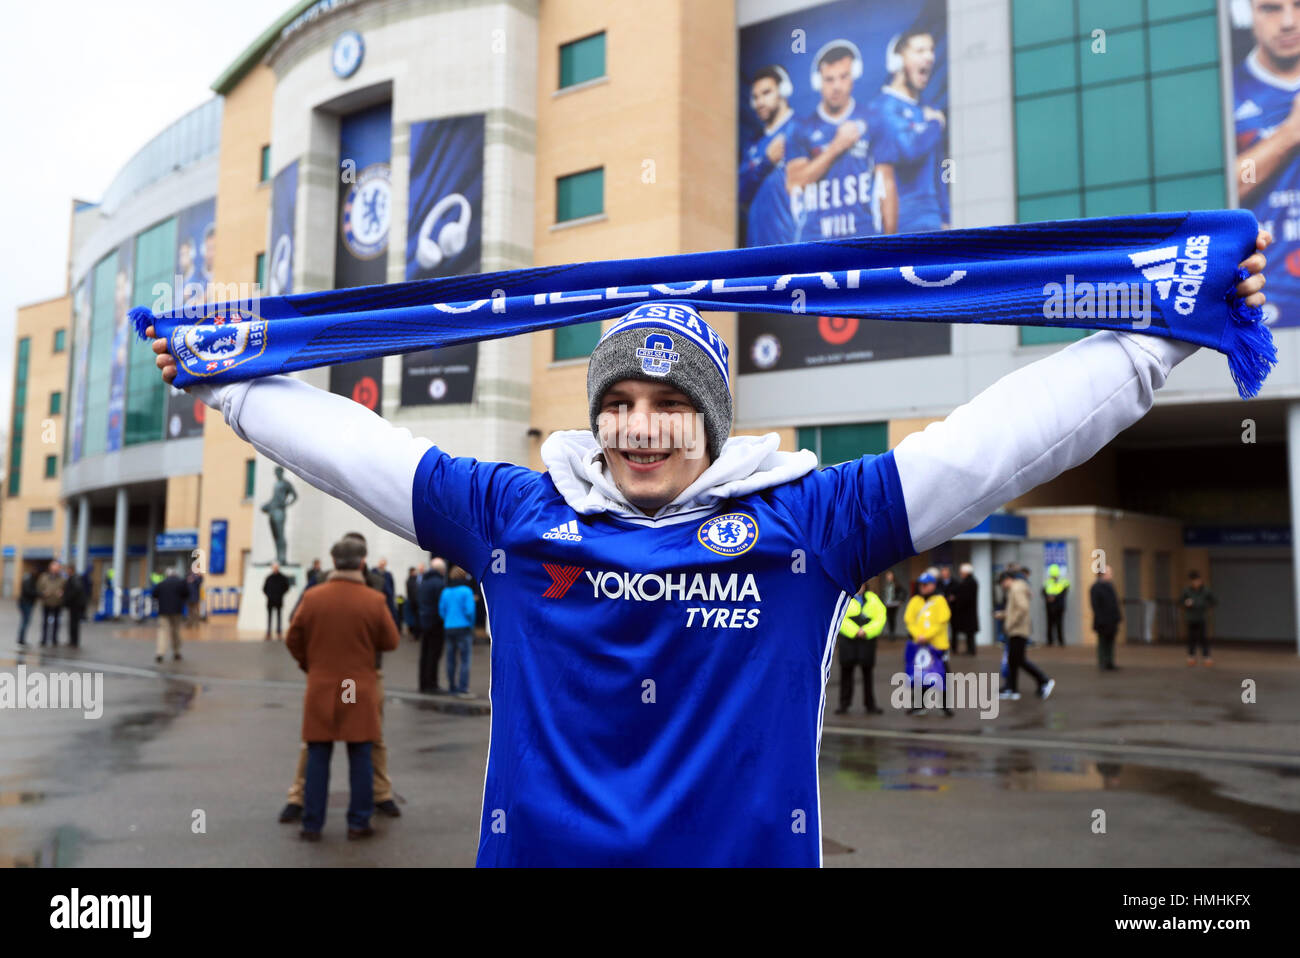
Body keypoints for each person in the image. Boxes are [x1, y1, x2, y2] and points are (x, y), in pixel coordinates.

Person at [149, 238, 1270, 866]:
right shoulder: (512, 516)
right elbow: (355, 447)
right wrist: (224, 374)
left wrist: (1164, 326)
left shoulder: (808, 526)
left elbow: (995, 443)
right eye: (620, 402)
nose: (641, 425)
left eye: (669, 403)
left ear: (710, 422)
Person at [280, 531, 401, 823]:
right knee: (360, 742)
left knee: (334, 742)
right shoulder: (366, 587)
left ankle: (372, 796)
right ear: (362, 560)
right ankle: (351, 814)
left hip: (341, 675)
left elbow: (293, 632)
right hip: (361, 675)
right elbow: (391, 635)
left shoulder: (369, 583)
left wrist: (309, 664)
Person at [1235, 0, 1300, 325]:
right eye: (1272, 8)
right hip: (1265, 303)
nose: (1289, 21)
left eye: (1299, 5)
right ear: (1250, 12)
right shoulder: (1225, 91)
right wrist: (1290, 133)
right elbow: (1220, 189)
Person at [786, 40, 881, 240]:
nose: (837, 86)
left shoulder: (873, 120)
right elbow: (795, 182)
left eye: (843, 77)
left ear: (854, 76)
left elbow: (886, 183)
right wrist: (836, 147)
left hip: (864, 240)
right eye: (829, 79)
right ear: (817, 81)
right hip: (814, 244)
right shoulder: (800, 128)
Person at [867, 29, 949, 235]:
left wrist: (945, 217)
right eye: (920, 50)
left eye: (931, 50)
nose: (929, 57)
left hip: (932, 221)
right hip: (902, 223)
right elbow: (909, 149)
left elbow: (938, 171)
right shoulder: (882, 108)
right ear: (897, 60)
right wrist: (935, 126)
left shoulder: (928, 111)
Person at [740, 65, 797, 247]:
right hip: (756, 249)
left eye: (766, 93)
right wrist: (766, 162)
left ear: (783, 91)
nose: (760, 102)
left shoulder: (802, 131)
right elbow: (740, 193)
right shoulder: (753, 144)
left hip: (793, 247)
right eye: (755, 97)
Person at [996, 569, 1054, 701]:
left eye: (1002, 583)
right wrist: (1004, 615)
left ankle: (1043, 680)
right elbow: (1016, 609)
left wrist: (1010, 623)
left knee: (1018, 660)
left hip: (1018, 630)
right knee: (1013, 660)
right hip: (1018, 629)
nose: (1002, 586)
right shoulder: (1018, 588)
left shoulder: (1016, 589)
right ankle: (1012, 689)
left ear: (1007, 580)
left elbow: (1022, 608)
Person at [903, 569, 952, 716]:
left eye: (926, 584)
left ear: (933, 585)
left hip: (937, 646)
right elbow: (909, 620)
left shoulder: (940, 601)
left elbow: (941, 622)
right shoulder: (915, 601)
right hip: (920, 646)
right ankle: (919, 705)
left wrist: (927, 635)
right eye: (921, 584)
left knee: (943, 674)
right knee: (919, 675)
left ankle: (944, 705)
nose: (923, 587)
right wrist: (918, 635)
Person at [834, 582, 886, 715]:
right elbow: (838, 618)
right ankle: (844, 704)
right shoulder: (844, 597)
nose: (860, 587)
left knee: (868, 675)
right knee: (846, 674)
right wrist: (855, 631)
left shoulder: (873, 599)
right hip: (848, 642)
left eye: (862, 584)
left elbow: (880, 617)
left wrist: (867, 631)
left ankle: (870, 705)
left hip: (866, 642)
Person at [440, 566, 477, 698]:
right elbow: (470, 611)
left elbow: (442, 610)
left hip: (449, 627)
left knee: (450, 658)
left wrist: (448, 620)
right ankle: (463, 687)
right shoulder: (466, 591)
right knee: (465, 659)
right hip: (464, 627)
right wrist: (471, 624)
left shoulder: (446, 591)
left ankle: (451, 686)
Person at [418, 558, 447, 693]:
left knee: (424, 654)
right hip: (436, 622)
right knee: (434, 654)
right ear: (441, 570)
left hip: (424, 621)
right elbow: (441, 604)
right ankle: (432, 684)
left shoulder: (424, 582)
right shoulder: (440, 583)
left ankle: (423, 683)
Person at [153, 567, 189, 663]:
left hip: (163, 611)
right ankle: (176, 651)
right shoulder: (181, 583)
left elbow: (154, 594)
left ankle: (160, 653)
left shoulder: (161, 583)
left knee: (162, 631)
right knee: (176, 631)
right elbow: (186, 594)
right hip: (177, 611)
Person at [1182, 570, 1218, 667]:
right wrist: (1186, 603)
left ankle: (1207, 657)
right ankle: (1191, 657)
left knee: (1203, 638)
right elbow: (1181, 601)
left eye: (1197, 580)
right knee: (1191, 638)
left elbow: (1214, 601)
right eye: (1194, 581)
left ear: (1200, 580)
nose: (1196, 583)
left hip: (1201, 617)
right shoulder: (1187, 591)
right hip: (1191, 617)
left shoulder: (1206, 591)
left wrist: (1203, 605)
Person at [1089, 565, 1121, 671]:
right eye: (1109, 572)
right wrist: (1101, 619)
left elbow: (1114, 604)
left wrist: (1117, 617)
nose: (1111, 575)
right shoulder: (1096, 588)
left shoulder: (1110, 586)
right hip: (1102, 621)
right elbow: (1096, 606)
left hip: (1112, 620)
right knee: (1103, 642)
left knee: (1110, 642)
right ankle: (1102, 662)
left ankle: (1109, 662)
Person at [950, 562, 979, 655]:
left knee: (969, 633)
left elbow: (965, 597)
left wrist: (956, 598)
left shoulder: (969, 582)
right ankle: (970, 650)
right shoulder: (970, 581)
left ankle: (971, 650)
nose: (960, 574)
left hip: (968, 612)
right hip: (968, 612)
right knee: (969, 633)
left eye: (961, 572)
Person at [36, 560, 66, 647]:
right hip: (46, 602)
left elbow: (66, 589)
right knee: (45, 622)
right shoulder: (44, 577)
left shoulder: (62, 578)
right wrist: (43, 593)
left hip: (57, 603)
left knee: (56, 622)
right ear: (50, 568)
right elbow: (38, 588)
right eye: (54, 567)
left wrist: (62, 593)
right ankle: (44, 639)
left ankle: (54, 639)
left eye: (57, 568)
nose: (55, 569)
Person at [262, 562, 292, 640]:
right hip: (270, 600)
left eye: (276, 567)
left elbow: (287, 587)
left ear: (278, 568)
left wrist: (281, 594)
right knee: (269, 617)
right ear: (272, 568)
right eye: (274, 567)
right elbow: (264, 589)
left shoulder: (283, 577)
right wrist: (269, 595)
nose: (275, 569)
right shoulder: (269, 578)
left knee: (279, 616)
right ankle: (268, 632)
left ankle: (279, 632)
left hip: (279, 600)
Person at [1043, 562, 1070, 647]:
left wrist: (1053, 597)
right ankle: (1051, 641)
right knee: (1051, 624)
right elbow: (1043, 592)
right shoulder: (1048, 582)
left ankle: (1059, 641)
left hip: (1058, 606)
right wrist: (1049, 597)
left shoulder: (1064, 582)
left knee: (1057, 624)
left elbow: (1064, 592)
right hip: (1051, 606)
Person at [63, 570, 87, 648]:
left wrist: (68, 597)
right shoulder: (75, 578)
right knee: (73, 624)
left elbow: (76, 590)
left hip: (75, 605)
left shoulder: (75, 579)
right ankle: (72, 641)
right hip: (74, 605)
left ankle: (74, 641)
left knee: (74, 624)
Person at [17, 567, 38, 646]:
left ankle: (21, 639)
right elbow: (28, 591)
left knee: (25, 620)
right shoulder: (29, 580)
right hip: (26, 603)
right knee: (25, 621)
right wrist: (38, 594)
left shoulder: (29, 579)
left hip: (25, 602)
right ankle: (21, 639)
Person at [880, 569, 904, 639]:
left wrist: (900, 600)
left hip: (894, 604)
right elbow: (884, 594)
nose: (888, 577)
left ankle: (892, 633)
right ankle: (890, 633)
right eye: (887, 576)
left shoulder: (896, 584)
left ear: (893, 576)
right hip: (887, 604)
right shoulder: (885, 585)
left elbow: (903, 592)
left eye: (890, 575)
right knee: (889, 618)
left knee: (892, 618)